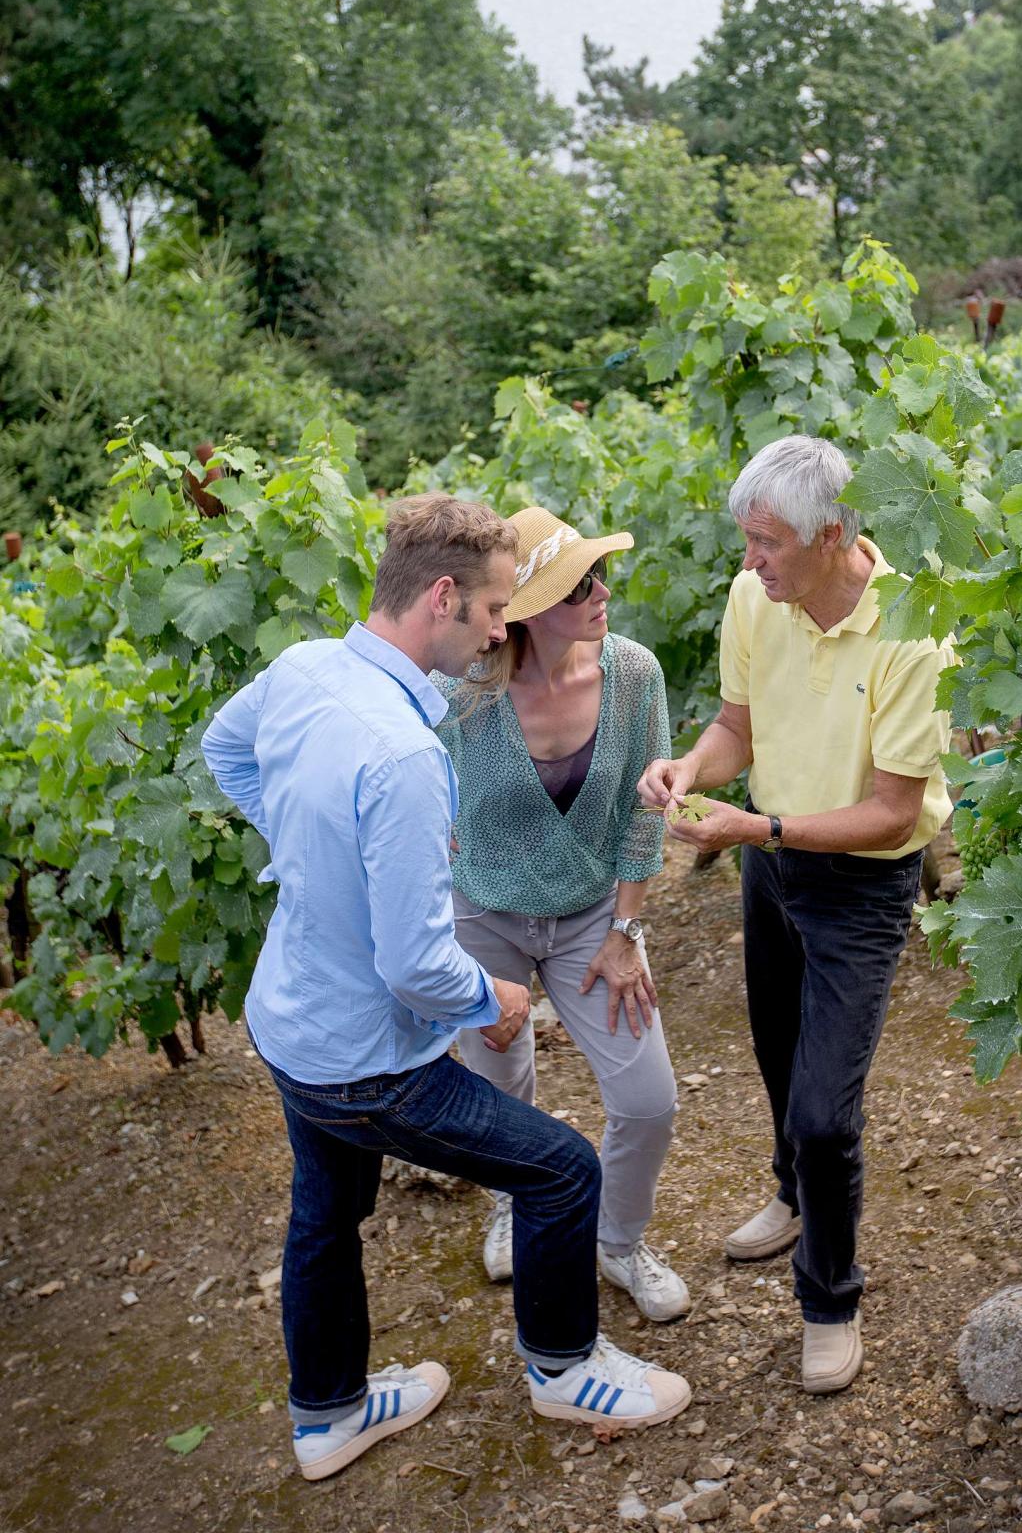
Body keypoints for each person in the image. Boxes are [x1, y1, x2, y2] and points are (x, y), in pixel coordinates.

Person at [201, 493, 691, 1483]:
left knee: (323, 1216)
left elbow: (225, 750)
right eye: (493, 609)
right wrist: (494, 1001)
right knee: (559, 1171)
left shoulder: (304, 669)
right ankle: (564, 1368)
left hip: (288, 1025)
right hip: (368, 1055)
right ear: (440, 598)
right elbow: (415, 968)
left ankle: (329, 1415)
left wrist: (312, 852)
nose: (502, 629)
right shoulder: (407, 755)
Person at [638, 436, 954, 1396]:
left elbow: (895, 811)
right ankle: (791, 1201)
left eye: (766, 542)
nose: (748, 561)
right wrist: (693, 771)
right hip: (772, 867)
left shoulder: (913, 634)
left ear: (833, 535)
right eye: (745, 539)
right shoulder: (755, 600)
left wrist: (760, 825)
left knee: (825, 1112)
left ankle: (829, 1299)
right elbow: (737, 726)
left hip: (860, 884)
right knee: (778, 1054)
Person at [438, 506, 690, 1324]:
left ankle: (618, 1241)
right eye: (579, 582)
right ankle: (513, 1203)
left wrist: (626, 933)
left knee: (649, 1099)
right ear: (527, 608)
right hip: (486, 918)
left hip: (591, 921)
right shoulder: (461, 694)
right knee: (502, 1081)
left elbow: (643, 816)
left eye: (599, 574)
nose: (602, 590)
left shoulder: (634, 675)